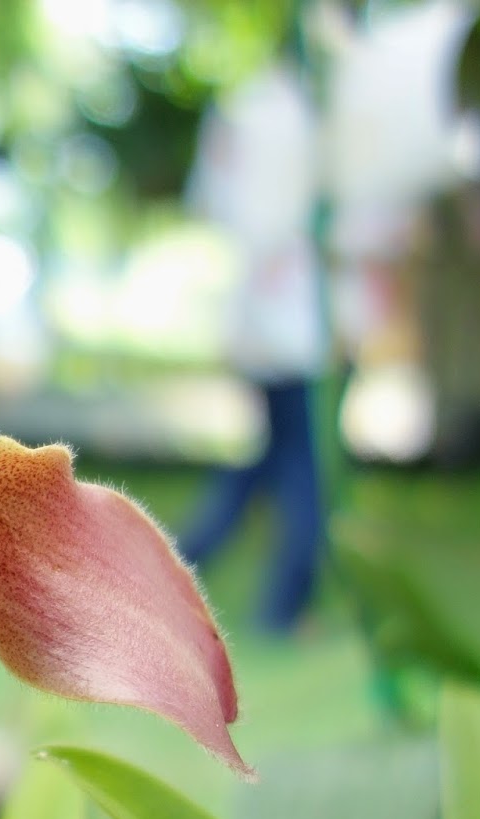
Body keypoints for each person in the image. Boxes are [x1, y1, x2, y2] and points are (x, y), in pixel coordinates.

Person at [178, 61, 328, 633]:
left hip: (268, 323)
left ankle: (183, 559)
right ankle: (283, 605)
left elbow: (213, 201)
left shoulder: (249, 113)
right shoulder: (306, 118)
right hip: (299, 328)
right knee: (303, 466)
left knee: (271, 459)